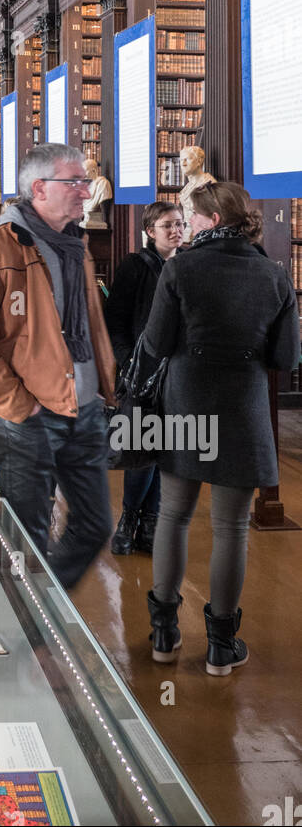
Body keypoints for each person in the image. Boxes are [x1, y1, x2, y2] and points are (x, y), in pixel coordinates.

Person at [142, 181, 300, 676]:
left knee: (174, 514)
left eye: (191, 215)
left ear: (212, 220)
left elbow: (156, 343)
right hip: (243, 408)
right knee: (232, 529)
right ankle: (220, 646)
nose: (184, 224)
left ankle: (165, 635)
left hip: (186, 403)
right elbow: (286, 357)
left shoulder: (180, 267)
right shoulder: (276, 276)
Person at [0, 143, 115, 589]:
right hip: (30, 414)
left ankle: (43, 609)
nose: (85, 190)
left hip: (85, 407)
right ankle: (22, 635)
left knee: (95, 526)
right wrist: (17, 402)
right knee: (25, 535)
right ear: (39, 188)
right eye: (74, 182)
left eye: (84, 182)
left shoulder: (77, 245)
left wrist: (100, 388)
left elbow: (88, 324)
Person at [103, 202, 185, 555]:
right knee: (140, 448)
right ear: (150, 231)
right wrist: (126, 362)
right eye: (168, 225)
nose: (176, 231)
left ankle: (150, 521)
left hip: (179, 374)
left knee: (163, 450)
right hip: (141, 373)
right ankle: (129, 519)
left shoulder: (188, 266)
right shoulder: (135, 266)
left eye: (181, 224)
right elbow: (115, 321)